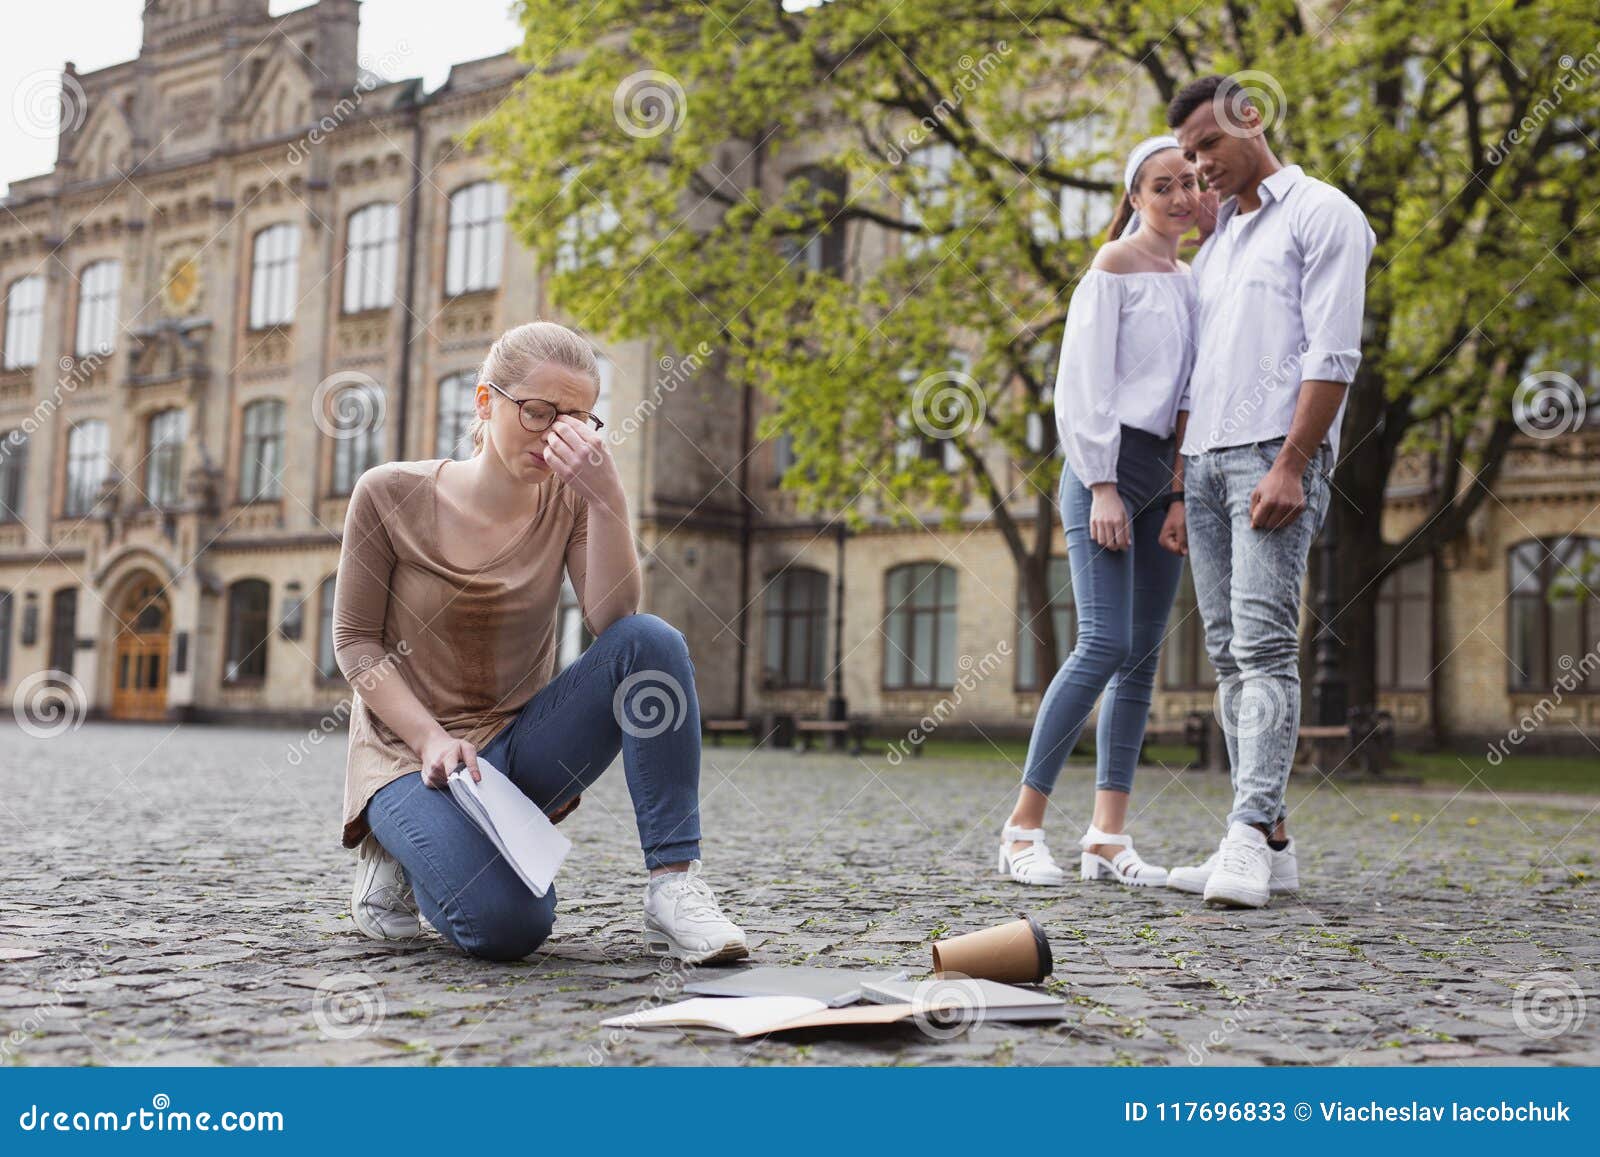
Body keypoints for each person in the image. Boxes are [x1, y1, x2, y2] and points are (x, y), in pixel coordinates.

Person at [335, 320, 748, 962]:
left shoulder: (573, 501)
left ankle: (674, 886)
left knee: (652, 643)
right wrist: (431, 740)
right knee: (508, 929)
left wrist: (608, 499)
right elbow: (356, 642)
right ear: (484, 402)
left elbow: (616, 624)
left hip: (517, 749)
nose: (557, 434)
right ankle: (393, 844)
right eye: (538, 412)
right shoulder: (388, 493)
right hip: (407, 755)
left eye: (579, 419)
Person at [1162, 74, 1376, 908]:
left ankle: (1246, 832)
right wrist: (1182, 485)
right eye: (1184, 155)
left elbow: (1333, 354)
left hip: (1271, 459)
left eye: (1207, 145)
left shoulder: (1325, 214)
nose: (1198, 167)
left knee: (1263, 648)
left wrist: (1293, 461)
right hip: (1210, 465)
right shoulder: (1219, 243)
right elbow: (1200, 373)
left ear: (1251, 119)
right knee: (1227, 656)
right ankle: (1271, 841)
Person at [998, 135, 1209, 888]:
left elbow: (1190, 396)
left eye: (1189, 181)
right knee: (1103, 644)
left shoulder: (1189, 278)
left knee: (1143, 656)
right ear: (1135, 197)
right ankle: (1022, 827)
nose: (1180, 196)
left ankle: (1107, 836)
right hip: (1107, 468)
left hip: (1163, 472)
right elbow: (1081, 385)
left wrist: (1179, 490)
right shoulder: (1112, 268)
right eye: (1163, 186)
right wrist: (1104, 486)